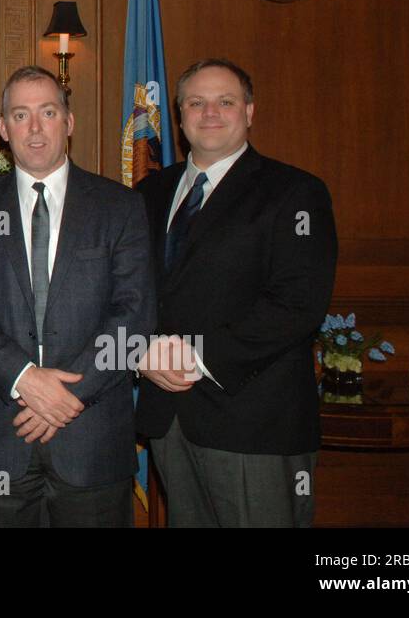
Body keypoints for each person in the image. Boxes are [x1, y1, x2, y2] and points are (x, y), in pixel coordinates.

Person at [135, 58, 337, 527]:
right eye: (196, 103)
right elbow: (130, 291)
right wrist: (139, 352)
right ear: (180, 117)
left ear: (249, 112)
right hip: (170, 416)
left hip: (255, 420)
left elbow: (298, 304)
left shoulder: (294, 192)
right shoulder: (148, 193)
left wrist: (194, 357)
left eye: (225, 102)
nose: (210, 113)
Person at [0, 66, 155, 527]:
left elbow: (135, 313)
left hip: (93, 437)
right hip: (2, 434)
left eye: (47, 112)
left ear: (70, 121)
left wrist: (67, 395)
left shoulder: (120, 207)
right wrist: (24, 379)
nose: (35, 128)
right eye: (20, 115)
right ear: (3, 129)